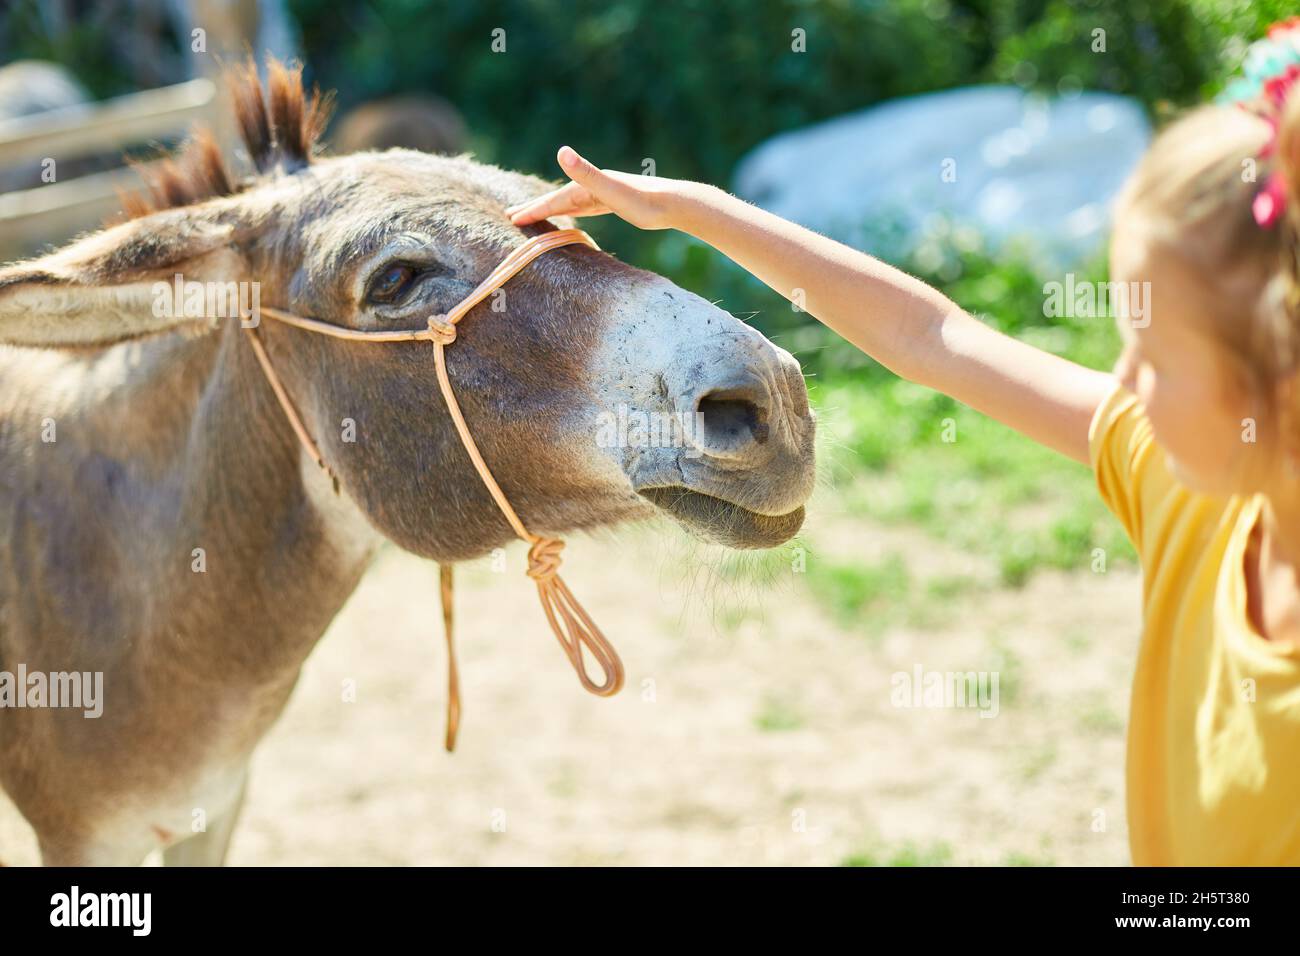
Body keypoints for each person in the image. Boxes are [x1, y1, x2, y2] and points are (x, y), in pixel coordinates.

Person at [505, 23, 1300, 865]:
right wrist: (690, 209)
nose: (1122, 380)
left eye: (1160, 360)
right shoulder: (1182, 485)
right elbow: (932, 336)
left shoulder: (1179, 485)